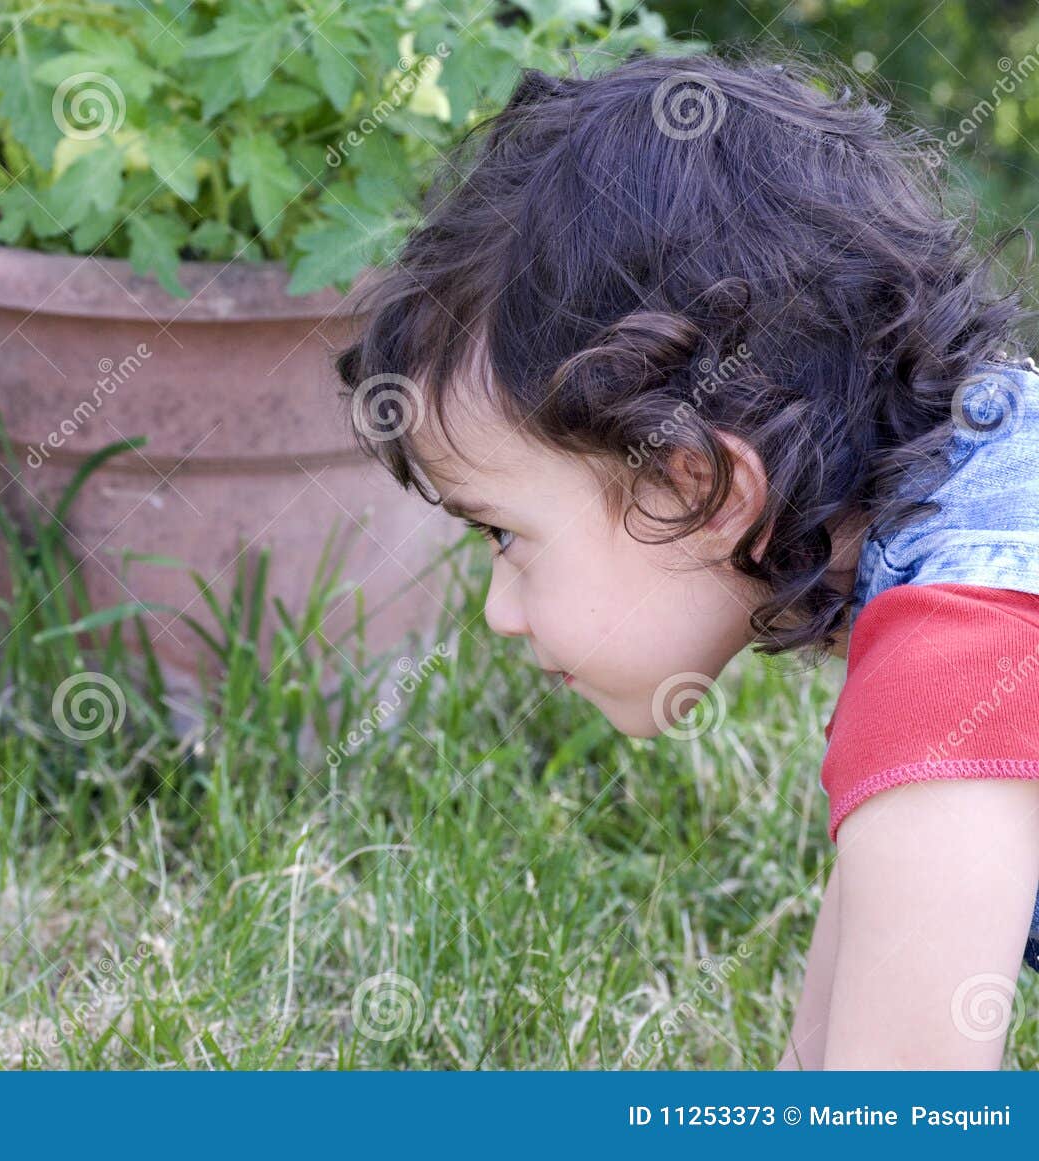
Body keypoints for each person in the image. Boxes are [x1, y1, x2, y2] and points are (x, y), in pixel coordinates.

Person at [333, 50, 1039, 1069]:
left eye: (505, 538)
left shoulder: (961, 666)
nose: (499, 611)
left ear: (694, 488)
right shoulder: (968, 534)